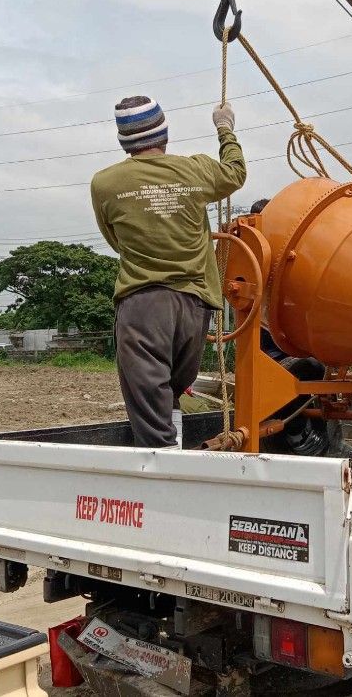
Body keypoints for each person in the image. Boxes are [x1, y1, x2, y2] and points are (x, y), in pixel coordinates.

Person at [91, 96, 246, 448]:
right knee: (175, 390)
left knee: (149, 406)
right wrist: (225, 128)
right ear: (164, 134)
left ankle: (165, 472)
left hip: (143, 304)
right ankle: (175, 458)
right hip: (196, 306)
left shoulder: (105, 184)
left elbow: (115, 241)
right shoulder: (197, 170)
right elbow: (236, 171)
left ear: (123, 142)